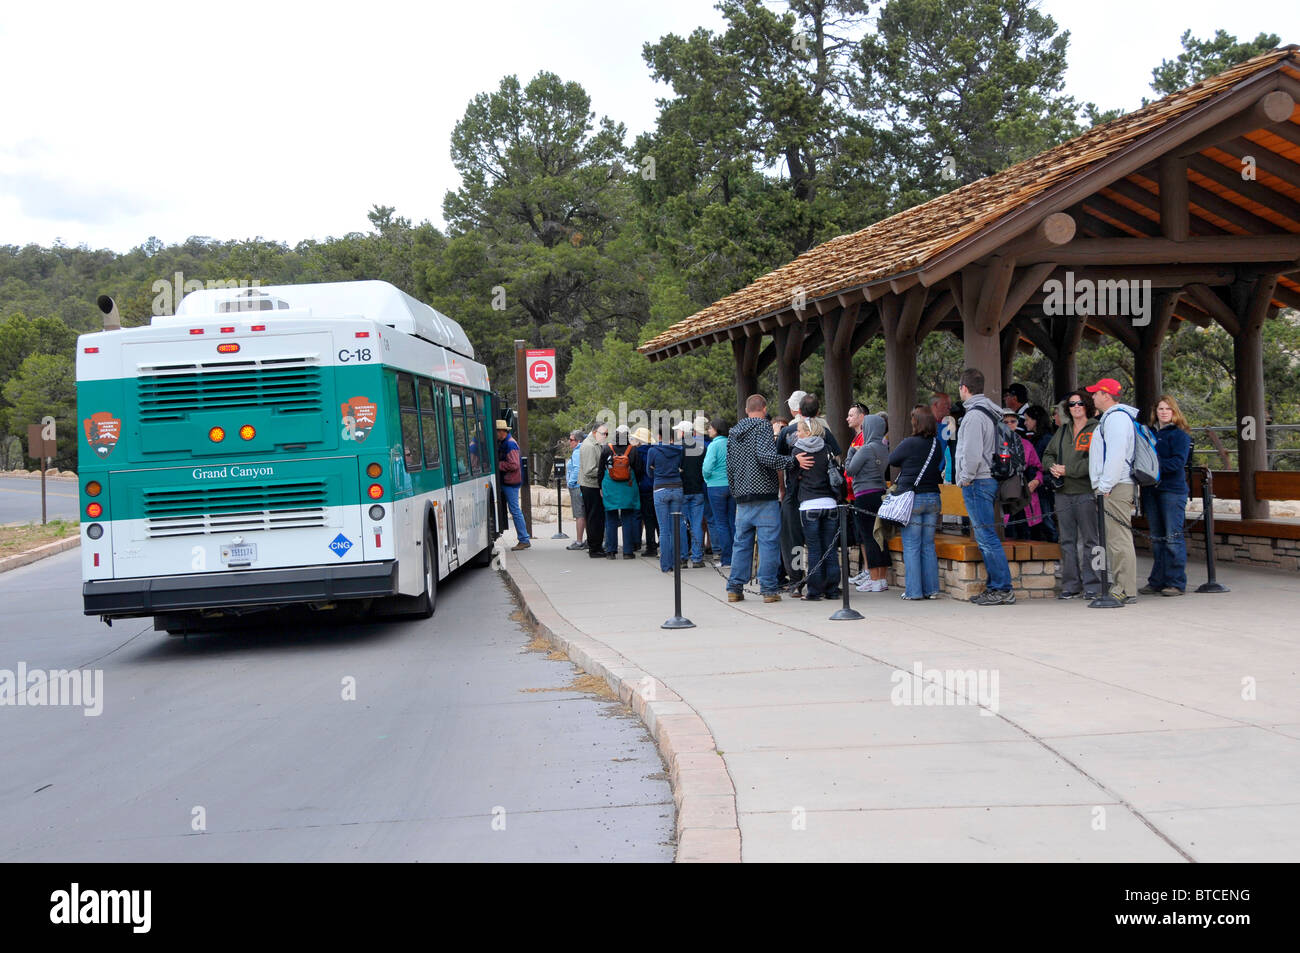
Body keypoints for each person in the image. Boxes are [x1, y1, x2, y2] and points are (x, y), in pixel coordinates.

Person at [726, 394, 806, 603]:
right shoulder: (762, 427)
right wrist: (792, 461)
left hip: (742, 496)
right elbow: (765, 457)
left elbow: (730, 467)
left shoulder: (733, 433)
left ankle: (734, 588)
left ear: (746, 409)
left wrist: (736, 492)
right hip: (764, 495)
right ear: (764, 408)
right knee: (768, 543)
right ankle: (769, 589)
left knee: (741, 543)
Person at [955, 368, 1015, 605]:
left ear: (964, 388)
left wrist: (965, 477)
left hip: (977, 480)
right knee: (987, 535)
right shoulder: (991, 412)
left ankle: (1001, 587)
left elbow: (971, 453)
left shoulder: (973, 417)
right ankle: (997, 586)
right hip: (989, 478)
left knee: (986, 537)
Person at [777, 393, 841, 594]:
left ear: (794, 410)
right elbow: (837, 457)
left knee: (794, 541)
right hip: (823, 494)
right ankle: (829, 584)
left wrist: (783, 489)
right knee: (824, 542)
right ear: (818, 410)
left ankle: (797, 580)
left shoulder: (787, 431)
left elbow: (778, 463)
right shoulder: (824, 432)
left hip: (794, 493)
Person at [1042, 390, 1101, 599]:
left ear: (1087, 406)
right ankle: (1071, 584)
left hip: (1085, 491)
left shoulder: (1096, 429)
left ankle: (1094, 584)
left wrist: (1069, 470)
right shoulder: (1063, 430)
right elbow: (1047, 454)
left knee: (1091, 541)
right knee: (1067, 540)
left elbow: (1096, 461)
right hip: (1063, 493)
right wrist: (1053, 468)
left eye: (1080, 404)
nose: (1076, 407)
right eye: (1072, 404)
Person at [1087, 377, 1139, 604]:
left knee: (1119, 539)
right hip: (1113, 486)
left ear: (1106, 395)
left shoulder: (1116, 419)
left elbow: (1116, 456)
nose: (1093, 397)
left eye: (1096, 393)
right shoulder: (1111, 418)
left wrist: (1105, 486)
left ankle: (1124, 588)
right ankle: (1122, 585)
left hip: (1115, 487)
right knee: (1115, 538)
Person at [889, 405, 945, 600]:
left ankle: (914, 591)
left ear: (915, 422)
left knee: (912, 545)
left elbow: (892, 459)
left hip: (912, 498)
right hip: (933, 497)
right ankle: (932, 589)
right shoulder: (936, 444)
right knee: (928, 545)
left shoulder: (909, 442)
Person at [1140, 395, 1193, 596]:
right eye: (1160, 409)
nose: (1163, 412)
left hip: (1172, 490)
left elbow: (1178, 462)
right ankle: (1157, 580)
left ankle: (1176, 581)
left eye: (1167, 409)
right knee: (1157, 538)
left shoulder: (1180, 435)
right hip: (1151, 490)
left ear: (1174, 412)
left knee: (1172, 537)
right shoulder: (1149, 433)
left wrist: (1153, 467)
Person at [790, 416, 841, 601]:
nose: (797, 433)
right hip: (830, 503)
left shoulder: (798, 451)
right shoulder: (827, 449)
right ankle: (833, 590)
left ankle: (814, 591)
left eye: (800, 430)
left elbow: (793, 479)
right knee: (830, 548)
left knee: (814, 549)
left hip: (809, 504)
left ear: (809, 432)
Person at [845, 412, 891, 592]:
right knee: (880, 537)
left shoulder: (865, 448)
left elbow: (850, 469)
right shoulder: (883, 448)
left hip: (864, 494)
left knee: (868, 537)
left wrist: (850, 452)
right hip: (879, 493)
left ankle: (873, 579)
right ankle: (882, 578)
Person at [646, 420, 686, 573]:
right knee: (676, 527)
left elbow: (649, 472)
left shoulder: (653, 451)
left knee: (664, 529)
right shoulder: (679, 450)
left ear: (659, 435)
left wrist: (657, 472)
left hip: (660, 488)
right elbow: (680, 467)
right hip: (676, 487)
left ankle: (666, 564)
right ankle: (677, 561)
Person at [1002, 408, 1044, 541]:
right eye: (1005, 421)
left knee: (1026, 537)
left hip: (1024, 499)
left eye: (1013, 421)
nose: (1009, 424)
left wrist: (1036, 481)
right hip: (1004, 500)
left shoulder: (1026, 445)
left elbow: (1039, 469)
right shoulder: (992, 444)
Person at [599, 426, 641, 559]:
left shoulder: (607, 449)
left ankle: (611, 551)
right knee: (627, 518)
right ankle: (628, 551)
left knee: (610, 518)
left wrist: (600, 486)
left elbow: (601, 470)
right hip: (627, 487)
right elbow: (639, 470)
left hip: (610, 486)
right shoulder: (632, 450)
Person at [702, 418, 734, 569]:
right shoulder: (732, 443)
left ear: (717, 429)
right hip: (732, 486)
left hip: (716, 486)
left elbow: (707, 466)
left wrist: (707, 478)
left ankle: (727, 559)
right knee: (732, 522)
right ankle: (736, 557)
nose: (708, 430)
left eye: (710, 428)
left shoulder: (714, 446)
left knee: (720, 523)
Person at [1023, 405, 1057, 542]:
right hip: (1035, 484)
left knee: (1045, 518)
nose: (1025, 423)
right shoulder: (1036, 438)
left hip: (1042, 484)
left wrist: (1038, 479)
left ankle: (1053, 547)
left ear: (1036, 420)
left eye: (1027, 419)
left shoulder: (1046, 439)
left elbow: (1045, 465)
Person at [496, 420, 530, 551]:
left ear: (502, 432)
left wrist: (498, 465)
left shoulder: (510, 444)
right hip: (510, 481)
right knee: (515, 510)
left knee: (515, 511)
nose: (496, 434)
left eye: (497, 432)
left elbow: (514, 465)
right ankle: (524, 538)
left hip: (510, 482)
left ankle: (524, 539)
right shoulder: (507, 442)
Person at [679, 421, 708, 568]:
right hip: (698, 489)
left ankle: (683, 557)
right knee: (697, 524)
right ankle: (697, 558)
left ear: (683, 433)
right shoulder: (702, 448)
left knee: (682, 524)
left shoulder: (679, 448)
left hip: (683, 490)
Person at [579, 422, 609, 558]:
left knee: (596, 517)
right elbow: (589, 470)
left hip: (594, 485)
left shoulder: (594, 444)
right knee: (593, 518)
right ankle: (594, 548)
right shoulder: (589, 446)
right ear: (595, 432)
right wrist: (607, 470)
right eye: (604, 434)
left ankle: (596, 546)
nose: (605, 436)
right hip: (590, 486)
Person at [630, 426, 658, 557]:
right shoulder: (655, 451)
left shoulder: (636, 452)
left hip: (644, 488)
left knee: (647, 519)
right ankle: (664, 543)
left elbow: (635, 472)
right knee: (659, 519)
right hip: (656, 486)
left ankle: (650, 546)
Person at [564, 429, 586, 550]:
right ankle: (589, 539)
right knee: (584, 514)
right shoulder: (581, 450)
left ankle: (579, 541)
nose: (569, 442)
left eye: (571, 440)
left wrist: (571, 483)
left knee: (579, 515)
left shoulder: (577, 452)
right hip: (581, 486)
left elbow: (577, 469)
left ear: (578, 441)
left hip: (576, 487)